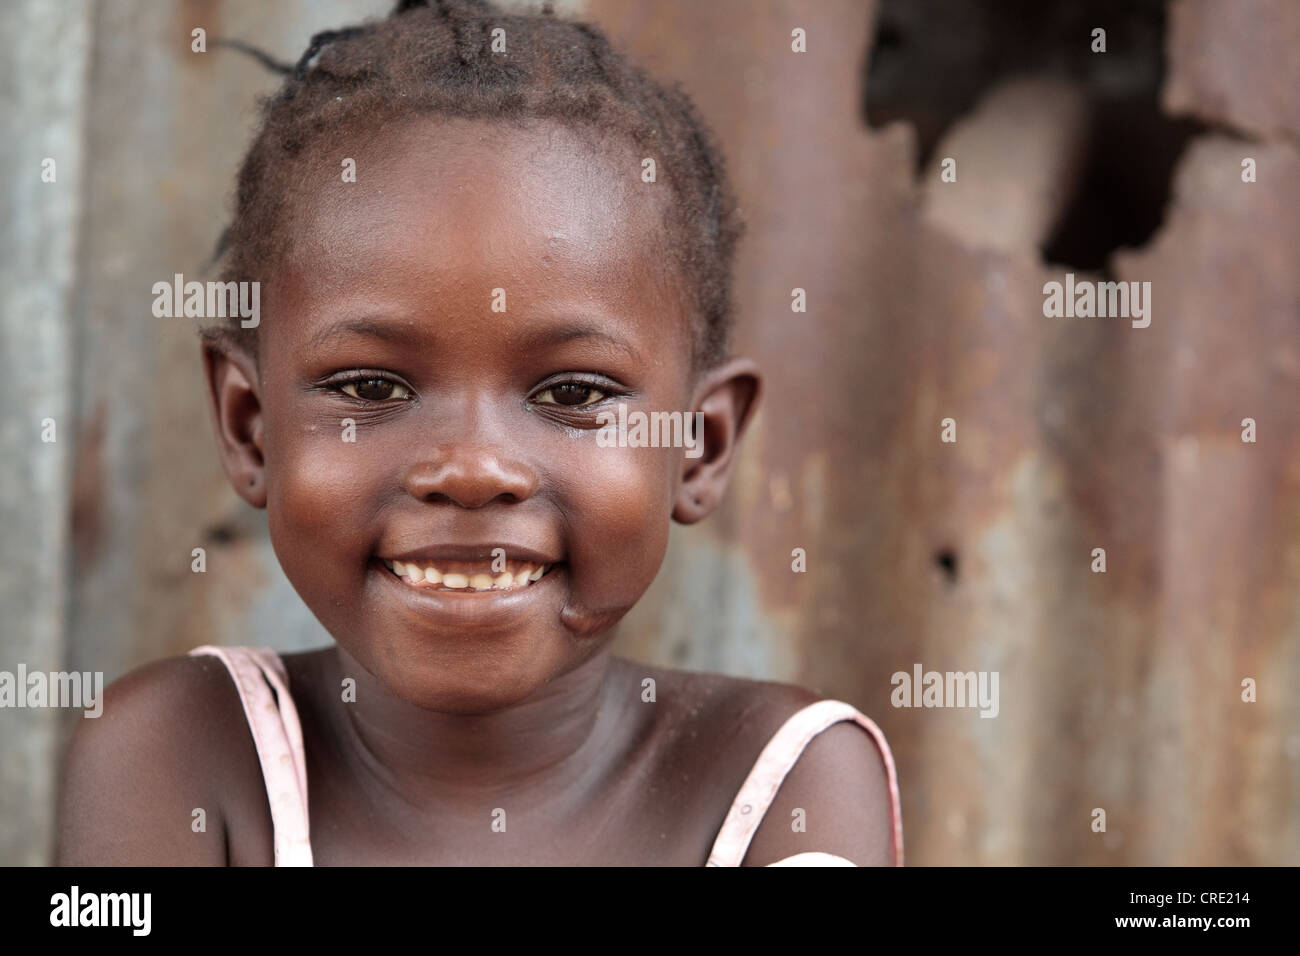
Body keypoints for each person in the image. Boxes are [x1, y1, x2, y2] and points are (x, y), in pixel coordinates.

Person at [56, 0, 901, 866]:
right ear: (250, 426)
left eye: (573, 390)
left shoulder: (782, 780)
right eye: (370, 386)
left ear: (702, 444)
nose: (470, 468)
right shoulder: (177, 755)